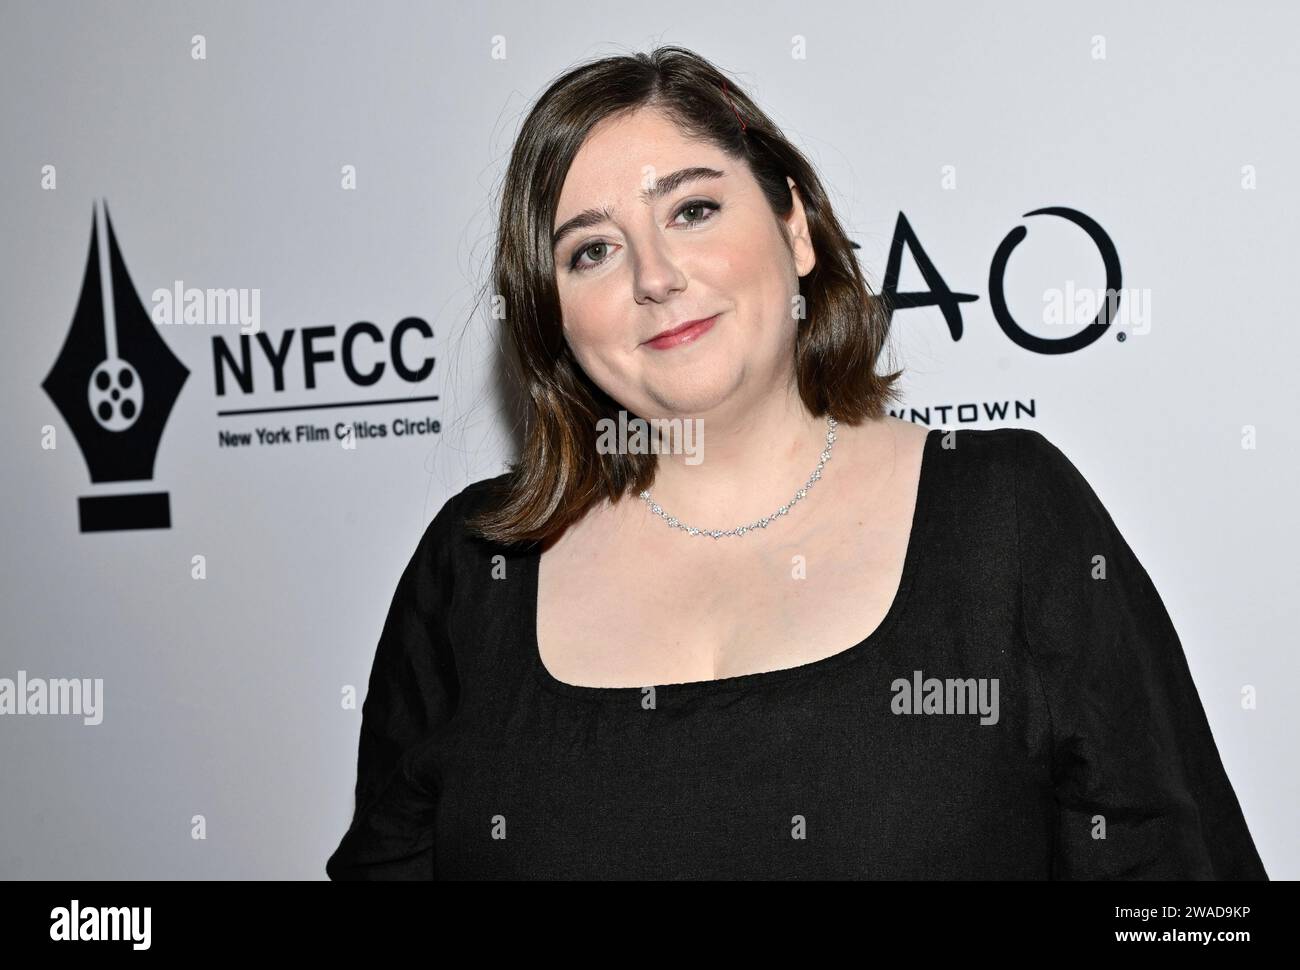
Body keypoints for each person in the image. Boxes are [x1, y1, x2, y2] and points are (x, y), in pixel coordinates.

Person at [325, 46, 1267, 880]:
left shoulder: (1008, 519)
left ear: (795, 229)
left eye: (692, 208)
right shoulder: (475, 567)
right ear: (555, 318)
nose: (654, 276)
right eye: (592, 251)